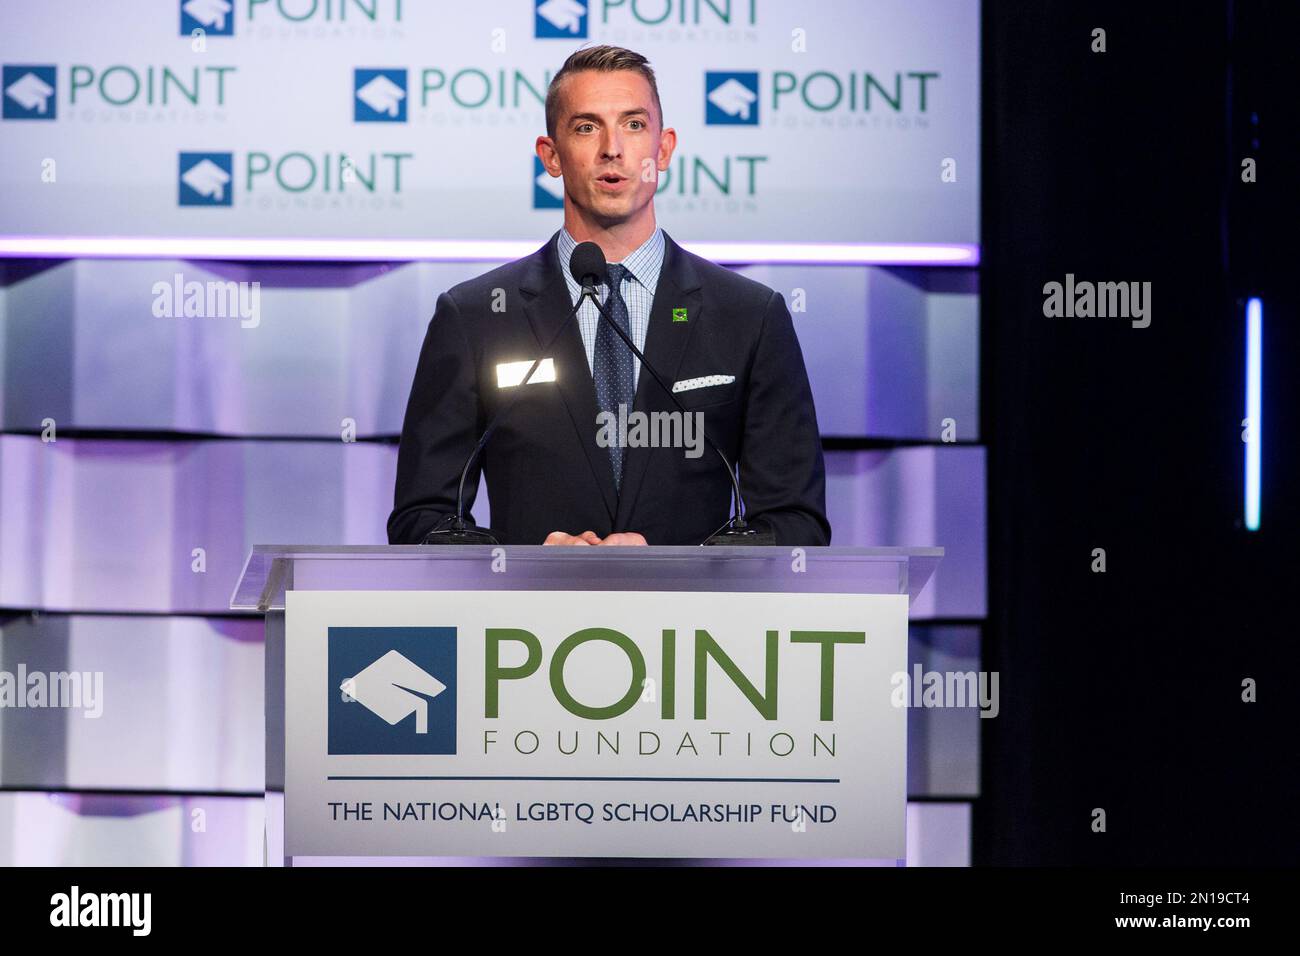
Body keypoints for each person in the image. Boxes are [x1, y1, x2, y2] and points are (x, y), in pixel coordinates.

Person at [388, 45, 829, 547]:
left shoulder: (750, 316)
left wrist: (682, 565)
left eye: (634, 125)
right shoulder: (475, 317)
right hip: (526, 620)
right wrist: (518, 560)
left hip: (691, 623)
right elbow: (421, 521)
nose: (612, 149)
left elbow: (797, 523)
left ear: (663, 150)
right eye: (586, 127)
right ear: (551, 156)